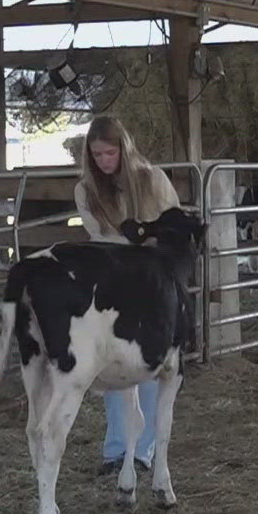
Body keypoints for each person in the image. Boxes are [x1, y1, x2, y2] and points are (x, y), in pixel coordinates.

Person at [72, 115, 182, 476]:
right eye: (97, 154)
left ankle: (143, 451)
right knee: (114, 365)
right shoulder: (86, 190)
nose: (103, 160)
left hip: (150, 281)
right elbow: (98, 236)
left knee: (148, 365)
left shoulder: (153, 180)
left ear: (124, 148)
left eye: (109, 152)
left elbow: (173, 224)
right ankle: (117, 449)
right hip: (112, 282)